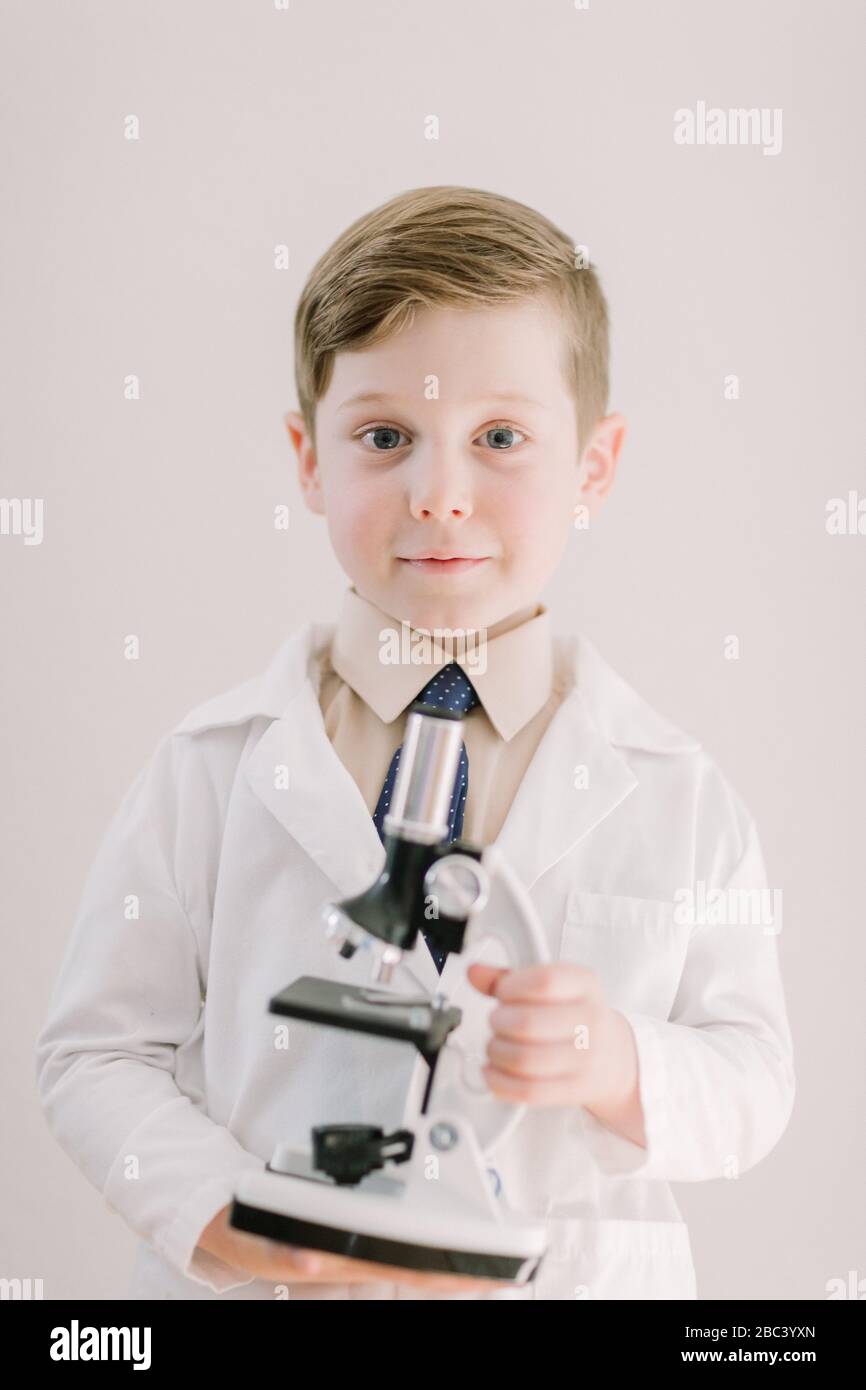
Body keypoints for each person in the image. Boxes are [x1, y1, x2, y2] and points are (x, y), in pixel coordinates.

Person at [34, 185, 795, 1300]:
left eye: (499, 437)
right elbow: (95, 1055)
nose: (439, 495)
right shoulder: (209, 770)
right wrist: (222, 1219)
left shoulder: (674, 794)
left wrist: (615, 1060)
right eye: (384, 437)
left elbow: (753, 1078)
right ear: (307, 459)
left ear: (592, 466)